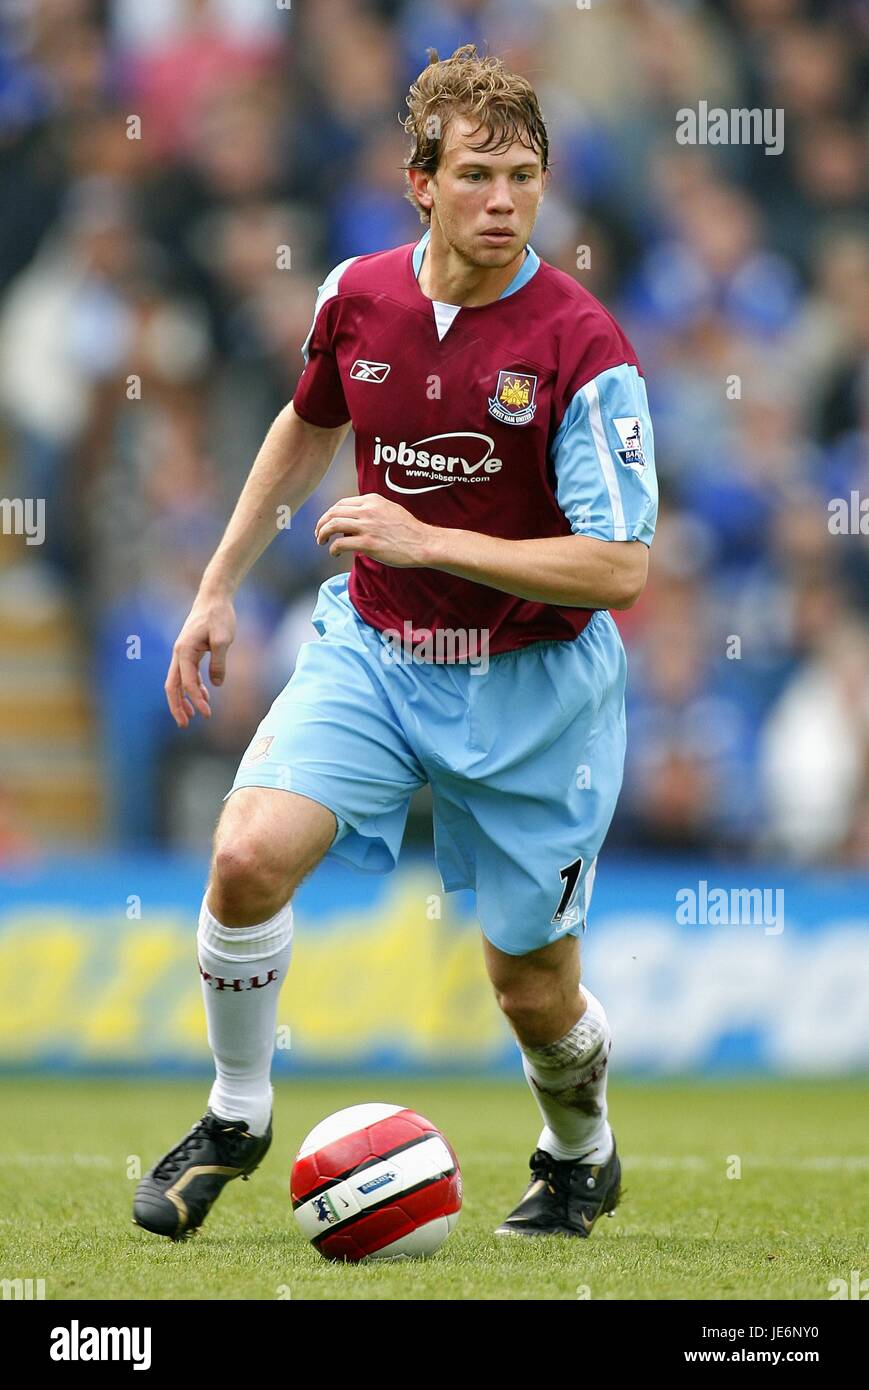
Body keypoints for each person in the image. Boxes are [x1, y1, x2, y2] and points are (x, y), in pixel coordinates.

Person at [133, 44, 658, 1245]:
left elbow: (619, 566)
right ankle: (235, 1112)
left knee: (530, 990)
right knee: (246, 854)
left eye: (523, 177)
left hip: (536, 689)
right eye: (475, 175)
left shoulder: (583, 351)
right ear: (416, 180)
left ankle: (579, 1151)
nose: (503, 202)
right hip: (375, 647)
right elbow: (306, 423)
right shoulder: (355, 294)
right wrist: (218, 584)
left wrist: (426, 537)